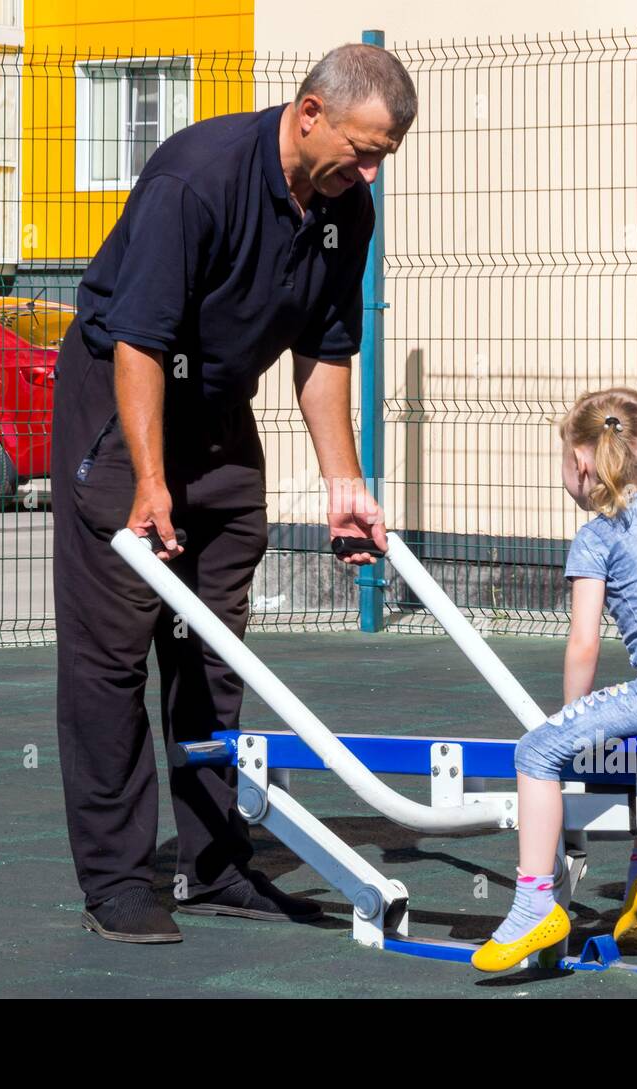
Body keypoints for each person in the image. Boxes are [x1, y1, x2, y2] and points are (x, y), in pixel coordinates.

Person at [51, 44, 416, 944]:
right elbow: (138, 339)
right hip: (120, 403)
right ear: (309, 114)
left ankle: (212, 865)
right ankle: (118, 881)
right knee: (112, 653)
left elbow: (326, 354)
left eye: (383, 158)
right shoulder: (197, 177)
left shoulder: (345, 206)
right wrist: (148, 481)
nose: (368, 172)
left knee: (215, 649)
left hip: (218, 411)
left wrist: (344, 483)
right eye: (362, 150)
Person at [471, 387, 637, 972]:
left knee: (537, 751)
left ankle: (534, 906)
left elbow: (584, 641)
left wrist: (567, 723)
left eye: (563, 459)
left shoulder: (597, 535)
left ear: (584, 463)